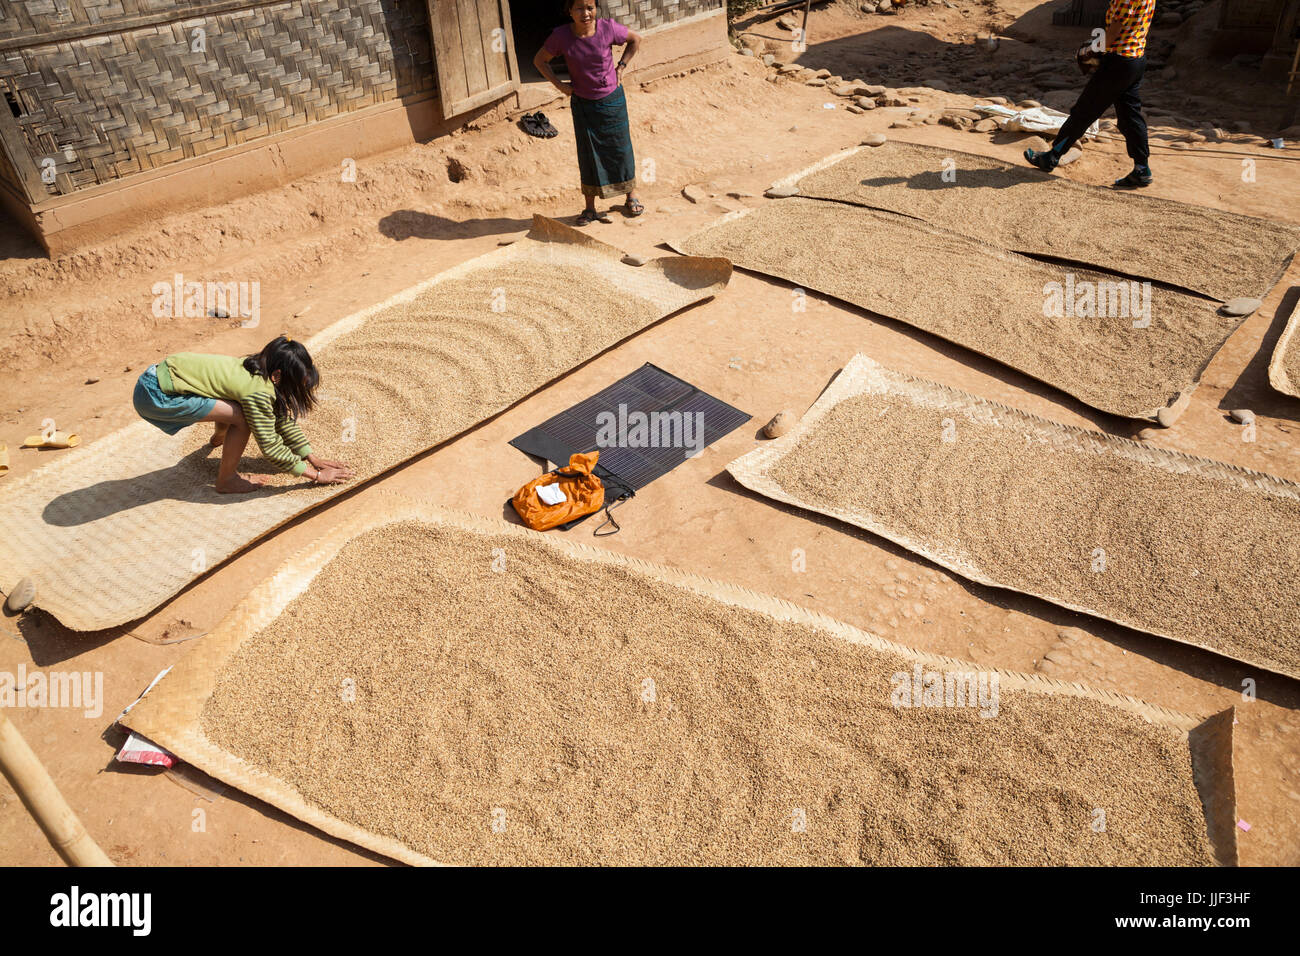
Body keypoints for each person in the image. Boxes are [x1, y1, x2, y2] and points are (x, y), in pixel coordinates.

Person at [132, 335, 354, 494]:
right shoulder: (258, 391)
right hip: (156, 396)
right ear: (278, 376)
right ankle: (226, 480)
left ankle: (218, 437)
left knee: (235, 403)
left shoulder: (254, 368)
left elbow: (279, 418)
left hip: (155, 376)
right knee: (241, 418)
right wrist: (316, 476)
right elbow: (271, 447)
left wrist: (312, 457)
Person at [534, 1, 645, 224]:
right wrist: (560, 85)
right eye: (579, 8)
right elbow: (540, 61)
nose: (586, 14)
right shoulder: (561, 36)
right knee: (588, 154)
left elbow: (636, 40)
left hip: (612, 100)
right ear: (569, 12)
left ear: (596, 8)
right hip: (584, 104)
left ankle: (630, 195)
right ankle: (590, 208)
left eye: (590, 7)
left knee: (620, 148)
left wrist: (621, 66)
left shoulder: (608, 28)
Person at [1025, 0, 1156, 189]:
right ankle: (1142, 169)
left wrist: (1091, 50)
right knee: (1130, 116)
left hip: (1118, 62)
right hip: (1136, 59)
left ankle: (1052, 156)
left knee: (1085, 110)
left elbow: (1115, 30)